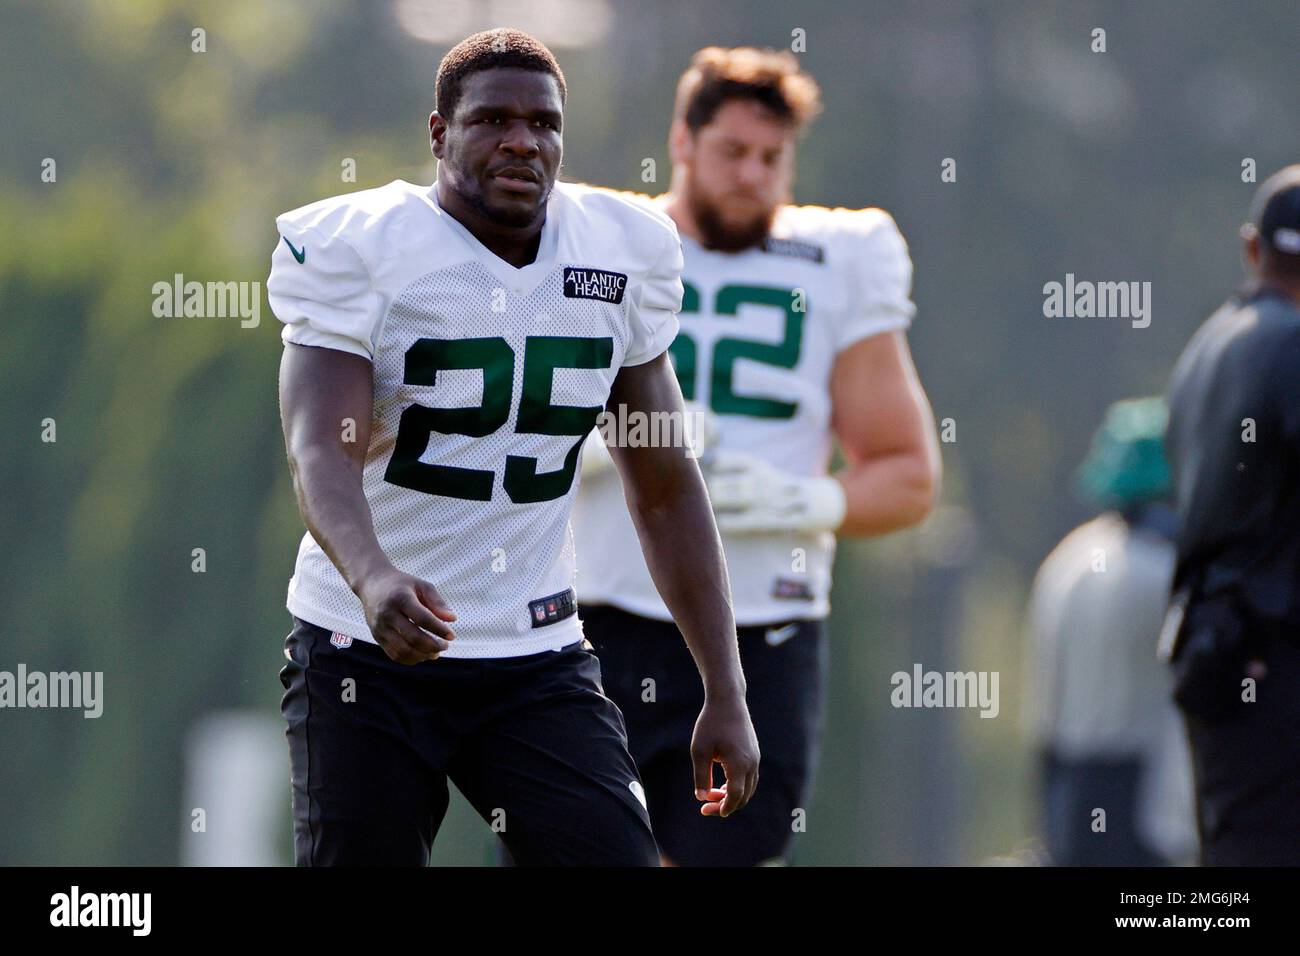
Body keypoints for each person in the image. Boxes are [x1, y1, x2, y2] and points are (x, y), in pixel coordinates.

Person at [268, 28, 759, 867]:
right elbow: (321, 450)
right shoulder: (364, 248)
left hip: (534, 656)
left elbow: (667, 483)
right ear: (438, 133)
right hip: (365, 650)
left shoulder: (618, 251)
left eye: (544, 123)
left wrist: (726, 686)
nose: (521, 141)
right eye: (492, 119)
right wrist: (374, 573)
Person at [569, 47, 941, 866]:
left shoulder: (840, 256)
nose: (752, 176)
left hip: (762, 629)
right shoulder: (609, 237)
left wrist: (808, 503)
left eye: (772, 158)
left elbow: (911, 477)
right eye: (732, 152)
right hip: (595, 618)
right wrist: (593, 442)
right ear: (683, 142)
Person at [1162, 164, 1300, 866]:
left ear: (1253, 247)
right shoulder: (1293, 345)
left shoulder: (1208, 343)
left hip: (1211, 650)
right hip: (1272, 658)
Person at [1023, 397, 1196, 866]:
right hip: (1143, 799)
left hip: (1070, 785)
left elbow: (1044, 706)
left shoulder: (1069, 556)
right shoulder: (1162, 572)